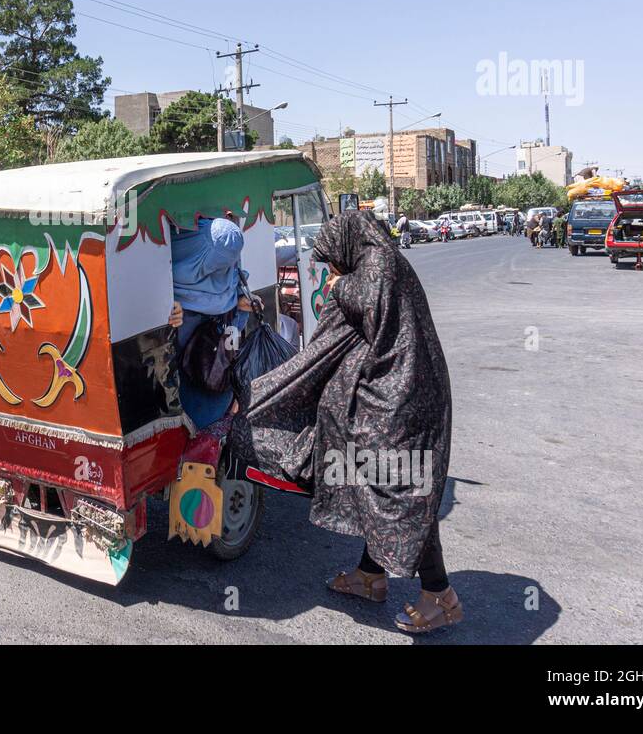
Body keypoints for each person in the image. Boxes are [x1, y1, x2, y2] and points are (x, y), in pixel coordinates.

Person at [231, 212, 459, 633]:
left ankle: (440, 595)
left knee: (402, 489)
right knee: (373, 483)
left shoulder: (377, 267)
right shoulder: (378, 262)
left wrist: (341, 285)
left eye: (332, 261)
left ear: (349, 246)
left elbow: (368, 303)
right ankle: (370, 575)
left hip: (403, 403)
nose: (330, 270)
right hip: (398, 396)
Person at [166, 217, 256, 430]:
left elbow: (232, 334)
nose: (219, 268)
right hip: (202, 390)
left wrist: (241, 309)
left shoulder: (229, 280)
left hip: (212, 390)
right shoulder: (165, 284)